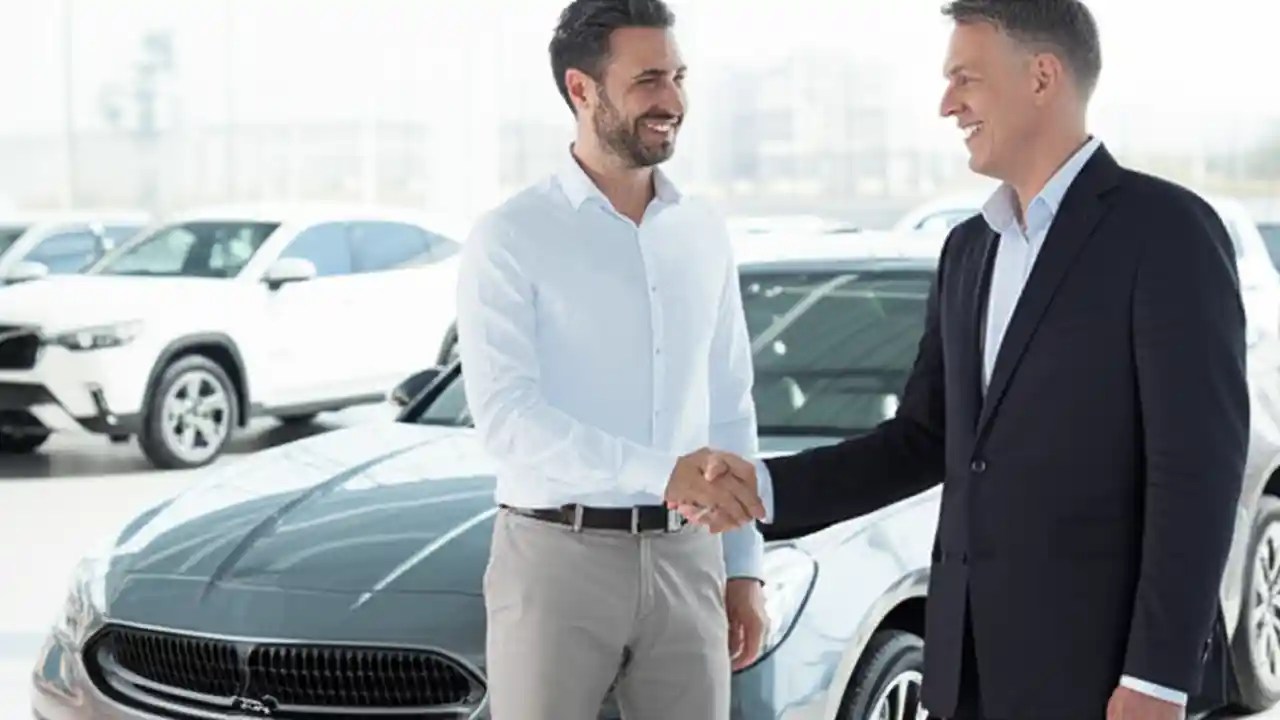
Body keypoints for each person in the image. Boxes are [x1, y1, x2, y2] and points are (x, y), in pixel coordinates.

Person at [684, 1, 1248, 718]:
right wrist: (764, 486)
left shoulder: (1165, 231)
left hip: (1106, 679)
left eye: (965, 78)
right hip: (969, 673)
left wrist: (1158, 679)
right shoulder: (968, 250)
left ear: (1041, 77)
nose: (947, 104)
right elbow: (924, 440)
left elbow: (1197, 477)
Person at [454, 1, 768, 717]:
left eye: (678, 77)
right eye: (648, 80)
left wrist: (744, 566)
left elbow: (730, 402)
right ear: (581, 89)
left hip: (690, 554)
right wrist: (662, 472)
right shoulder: (511, 235)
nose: (673, 101)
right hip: (555, 560)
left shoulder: (702, 230)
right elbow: (507, 418)